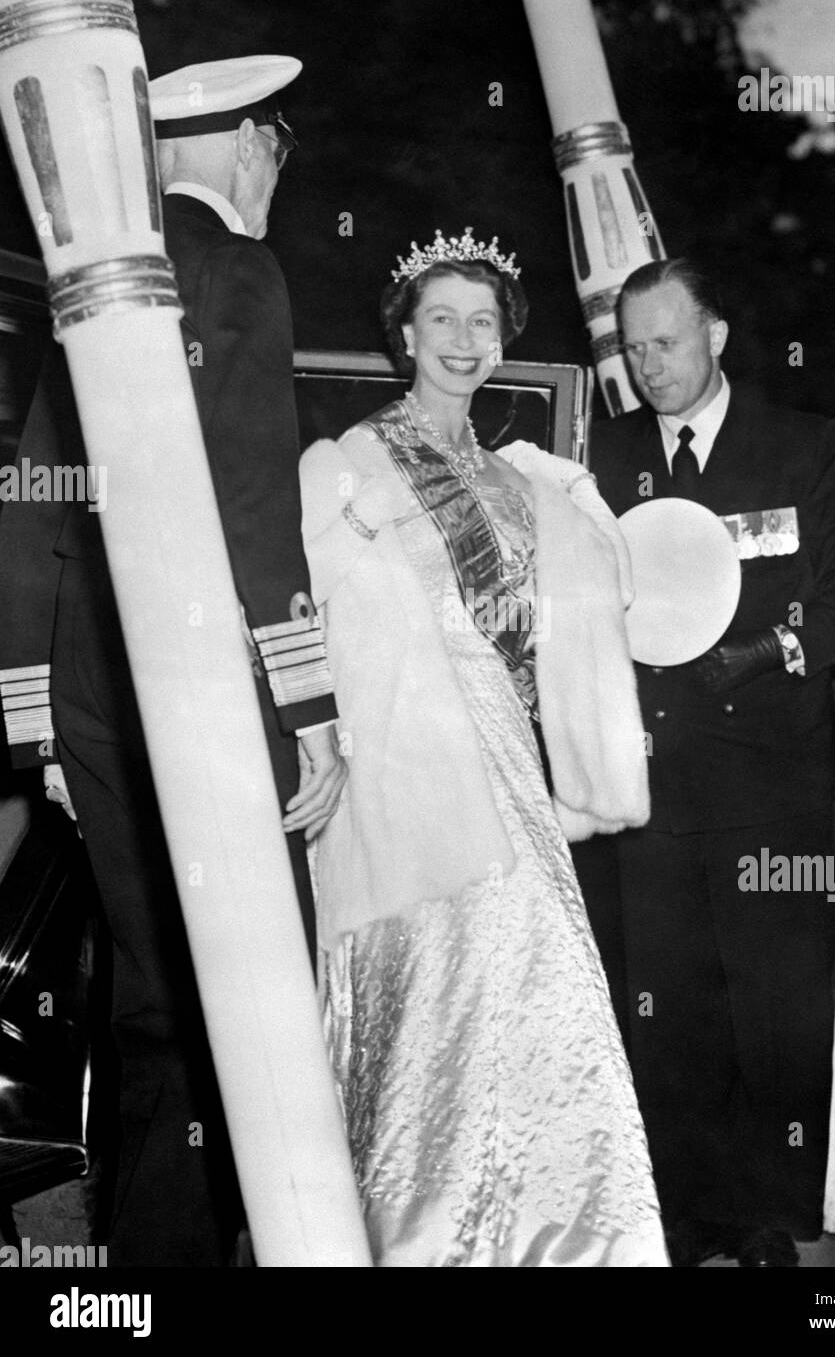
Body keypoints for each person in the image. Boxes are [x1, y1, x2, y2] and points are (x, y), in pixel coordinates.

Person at [0, 56, 343, 1265]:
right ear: (246, 146)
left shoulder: (87, 281)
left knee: (150, 1001)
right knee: (241, 1006)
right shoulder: (237, 269)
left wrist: (40, 726)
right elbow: (253, 505)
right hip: (203, 693)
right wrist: (308, 700)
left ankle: (147, 1272)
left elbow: (33, 504)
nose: (274, 182)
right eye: (275, 157)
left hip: (93, 696)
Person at [299, 229, 667, 1267]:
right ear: (404, 334)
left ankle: (555, 1233)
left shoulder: (517, 478)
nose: (464, 341)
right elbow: (312, 628)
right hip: (411, 774)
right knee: (445, 997)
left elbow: (589, 615)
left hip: (510, 756)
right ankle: (423, 1235)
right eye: (442, 320)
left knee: (538, 984)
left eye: (483, 322)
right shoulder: (352, 466)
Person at [584, 258, 835, 1267]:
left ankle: (767, 1220)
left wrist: (780, 648)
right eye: (632, 349)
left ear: (713, 335)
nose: (648, 365)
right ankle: (682, 1216)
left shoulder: (800, 445)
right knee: (666, 1010)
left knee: (773, 1011)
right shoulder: (609, 453)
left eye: (665, 342)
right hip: (652, 787)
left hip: (769, 785)